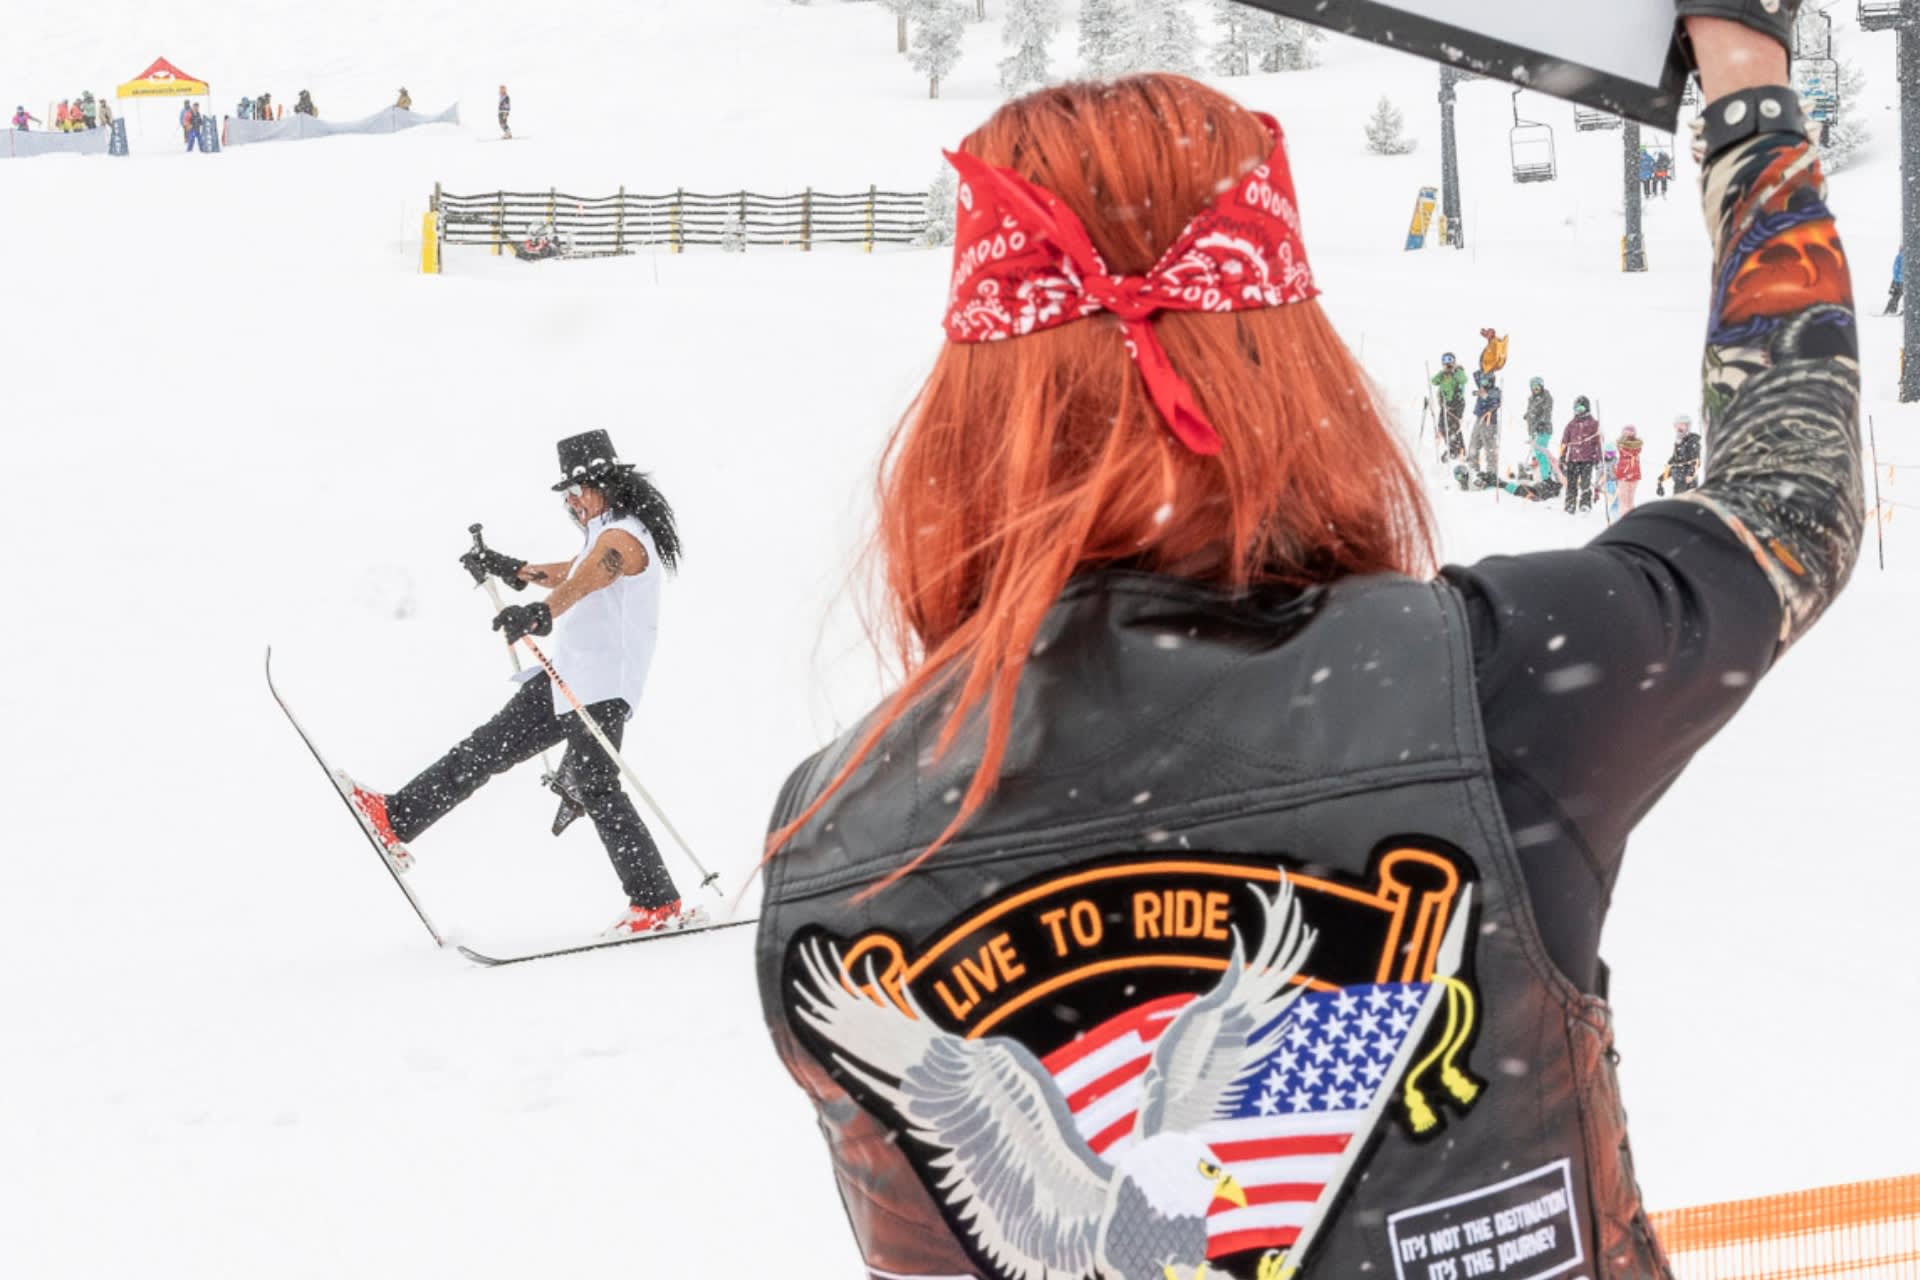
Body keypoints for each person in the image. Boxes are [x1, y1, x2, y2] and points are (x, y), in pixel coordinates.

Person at [756, 14, 1861, 1277]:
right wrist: (1748, 93)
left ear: (970, 415)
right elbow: (1792, 495)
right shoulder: (1491, 687)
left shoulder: (832, 846)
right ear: (1290, 371)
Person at [336, 430, 700, 937]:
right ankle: (395, 818)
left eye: (578, 491)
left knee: (595, 786)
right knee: (484, 749)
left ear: (605, 483)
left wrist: (541, 614)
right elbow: (569, 570)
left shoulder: (624, 538)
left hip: (600, 688)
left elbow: (591, 575)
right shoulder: (603, 533)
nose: (572, 502)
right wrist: (507, 568)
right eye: (567, 496)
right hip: (567, 683)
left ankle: (657, 904)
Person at [1559, 395, 1603, 513]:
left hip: (1587, 459)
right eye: (1576, 409)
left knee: (1585, 483)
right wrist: (1562, 457)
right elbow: (1564, 442)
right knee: (1571, 484)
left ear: (1587, 409)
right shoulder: (1571, 425)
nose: (1579, 412)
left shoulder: (1594, 424)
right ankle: (1570, 504)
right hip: (1573, 459)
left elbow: (1598, 443)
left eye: (1581, 409)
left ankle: (1585, 504)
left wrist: (1598, 458)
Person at [1501, 425, 1564, 502]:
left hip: (1546, 487)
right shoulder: (1536, 468)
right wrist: (1514, 476)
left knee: (1527, 489)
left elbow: (1545, 457)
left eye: (1535, 459)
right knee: (1525, 488)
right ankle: (1510, 487)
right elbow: (1529, 477)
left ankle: (1526, 493)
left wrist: (1554, 483)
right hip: (1540, 487)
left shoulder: (1546, 464)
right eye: (1533, 459)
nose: (1534, 461)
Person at [1464, 369, 1502, 488]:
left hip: (1489, 423)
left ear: (1491, 381)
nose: (1483, 383)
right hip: (1478, 420)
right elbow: (1476, 374)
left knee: (1489, 449)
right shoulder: (1481, 387)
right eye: (1482, 381)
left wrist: (1485, 395)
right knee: (1473, 446)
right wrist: (1485, 365)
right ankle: (1474, 472)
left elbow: (1494, 400)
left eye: (1486, 381)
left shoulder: (1495, 391)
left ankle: (1491, 474)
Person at [1430, 351, 1467, 459]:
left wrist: (1455, 370)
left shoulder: (1458, 372)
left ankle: (1456, 450)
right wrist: (1442, 372)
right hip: (1445, 405)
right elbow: (1433, 381)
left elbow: (1463, 379)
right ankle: (1454, 448)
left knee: (1453, 427)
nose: (1447, 363)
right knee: (1442, 426)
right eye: (1445, 360)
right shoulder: (1443, 375)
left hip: (1456, 404)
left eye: (1449, 360)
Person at [1657, 414, 1703, 494]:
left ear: (1688, 426)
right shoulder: (1678, 442)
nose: (1679, 428)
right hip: (1678, 481)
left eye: (1682, 425)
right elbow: (1673, 463)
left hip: (1688, 482)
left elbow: (1696, 461)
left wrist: (1690, 475)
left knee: (1686, 504)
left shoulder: (1692, 442)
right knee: (1677, 503)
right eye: (1676, 426)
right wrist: (1661, 479)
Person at [1615, 425, 1645, 514]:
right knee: (1628, 499)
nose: (1627, 435)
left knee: (1625, 498)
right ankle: (1629, 516)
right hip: (1630, 474)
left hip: (1626, 474)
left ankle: (1626, 517)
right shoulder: (1635, 446)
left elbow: (1621, 447)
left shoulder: (1623, 445)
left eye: (1629, 433)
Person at [1886, 250, 1902, 316]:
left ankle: (1890, 310)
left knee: (1896, 296)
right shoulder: (1900, 257)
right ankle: (1890, 311)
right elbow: (1896, 269)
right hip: (1900, 281)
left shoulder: (1900, 256)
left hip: (1899, 280)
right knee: (1896, 295)